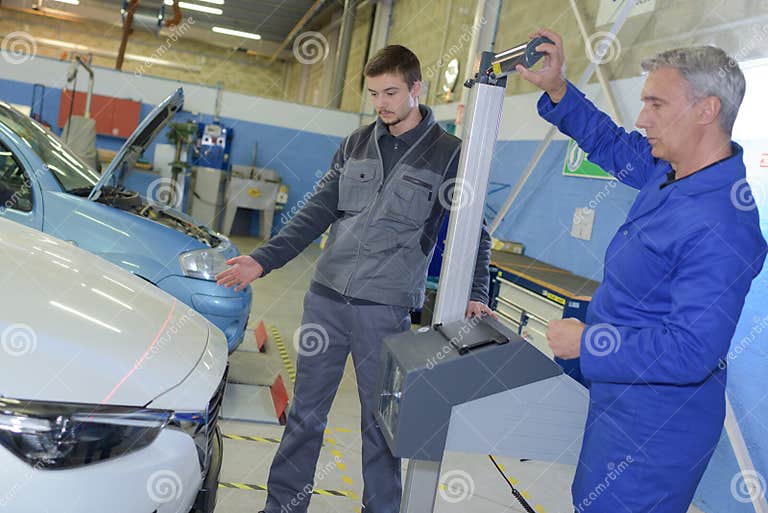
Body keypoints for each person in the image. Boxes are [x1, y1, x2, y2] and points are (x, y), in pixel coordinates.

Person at [216, 44, 493, 513]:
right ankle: (283, 506)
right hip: (326, 299)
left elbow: (474, 236)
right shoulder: (355, 144)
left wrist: (476, 292)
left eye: (391, 92)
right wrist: (263, 259)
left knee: (381, 423)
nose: (382, 104)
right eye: (374, 94)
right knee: (304, 415)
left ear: (416, 89)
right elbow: (317, 211)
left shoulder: (449, 156)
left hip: (383, 310)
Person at [517, 29, 767, 512]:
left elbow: (692, 349)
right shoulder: (669, 173)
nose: (641, 117)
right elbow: (611, 142)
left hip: (655, 430)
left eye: (656, 105)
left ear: (707, 110)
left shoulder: (724, 222)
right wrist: (558, 89)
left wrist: (587, 342)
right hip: (621, 403)